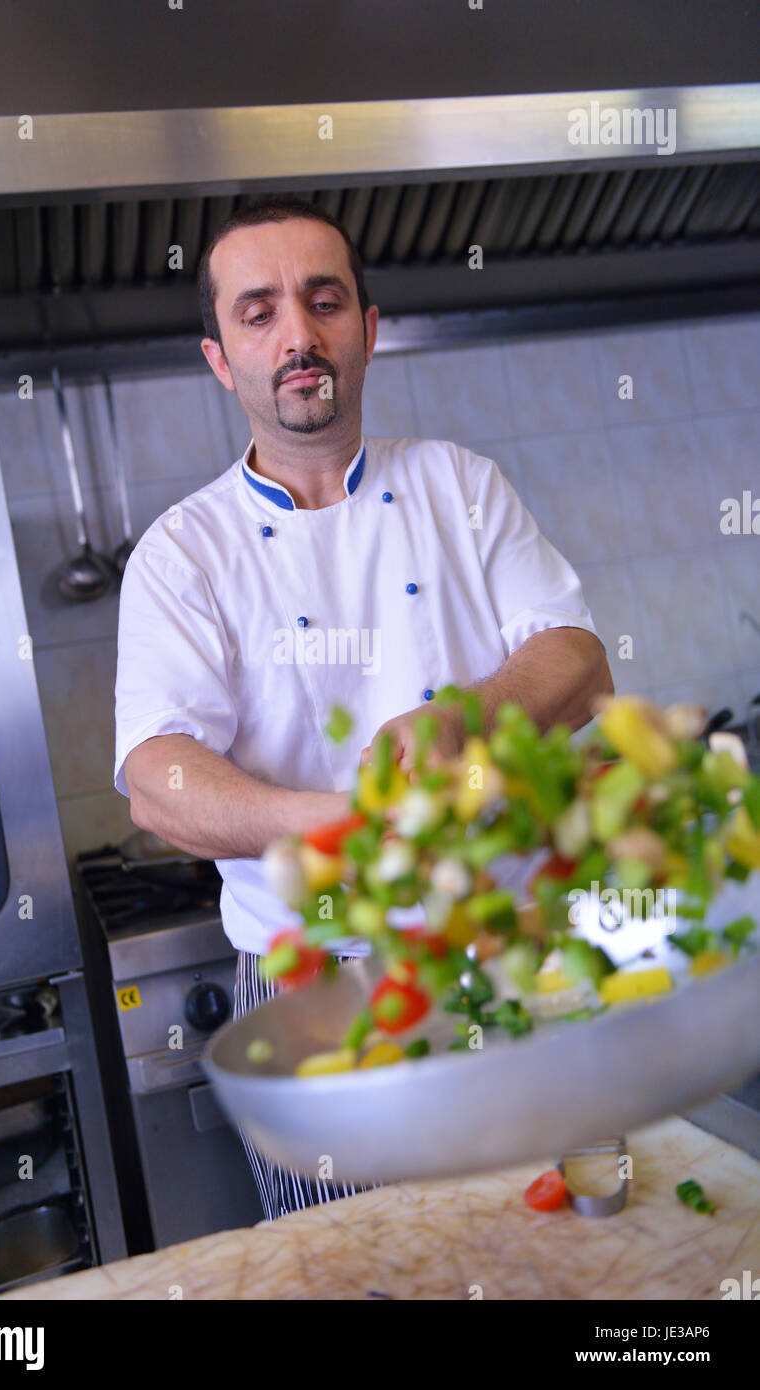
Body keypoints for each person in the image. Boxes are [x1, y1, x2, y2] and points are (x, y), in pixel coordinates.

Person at [113, 196, 614, 1221]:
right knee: (359, 1266)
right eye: (259, 312)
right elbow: (157, 779)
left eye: (323, 300)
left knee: (558, 1248)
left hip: (503, 951)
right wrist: (338, 824)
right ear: (221, 358)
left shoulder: (460, 486)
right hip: (314, 977)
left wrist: (462, 720)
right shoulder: (184, 553)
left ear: (368, 328)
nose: (297, 334)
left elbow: (578, 660)